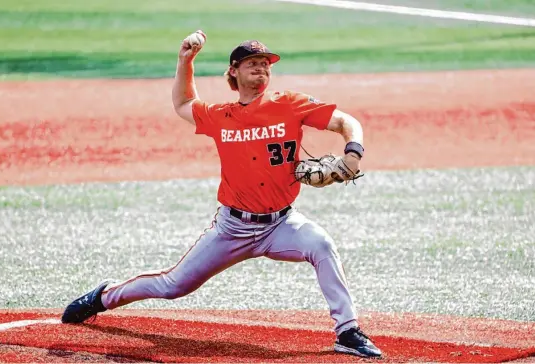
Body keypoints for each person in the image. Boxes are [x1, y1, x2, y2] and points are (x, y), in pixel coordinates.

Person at [61, 30, 382, 359]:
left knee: (322, 245)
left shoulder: (289, 104)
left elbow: (346, 121)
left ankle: (348, 331)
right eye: (252, 63)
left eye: (265, 63)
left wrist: (352, 155)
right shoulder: (220, 116)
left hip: (282, 224)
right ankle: (104, 296)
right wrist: (186, 61)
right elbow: (184, 103)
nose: (261, 68)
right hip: (232, 229)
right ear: (234, 71)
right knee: (173, 286)